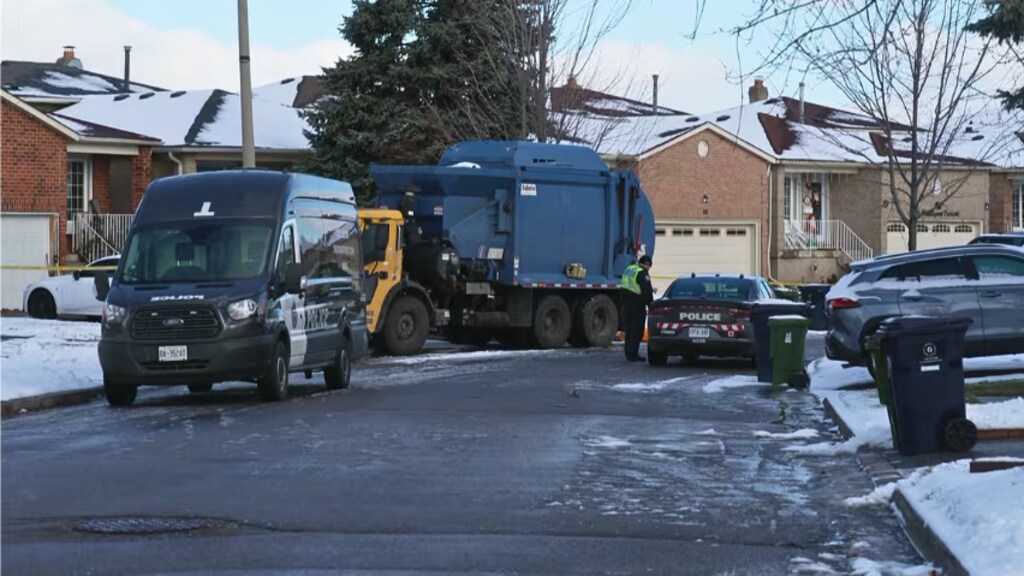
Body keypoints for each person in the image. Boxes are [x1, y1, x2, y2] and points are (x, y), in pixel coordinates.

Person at [620, 254, 653, 362]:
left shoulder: (630, 269)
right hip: (637, 304)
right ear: (647, 265)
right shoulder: (642, 273)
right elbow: (647, 291)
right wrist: (650, 304)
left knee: (629, 329)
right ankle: (633, 354)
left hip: (626, 303)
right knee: (637, 330)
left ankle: (628, 353)